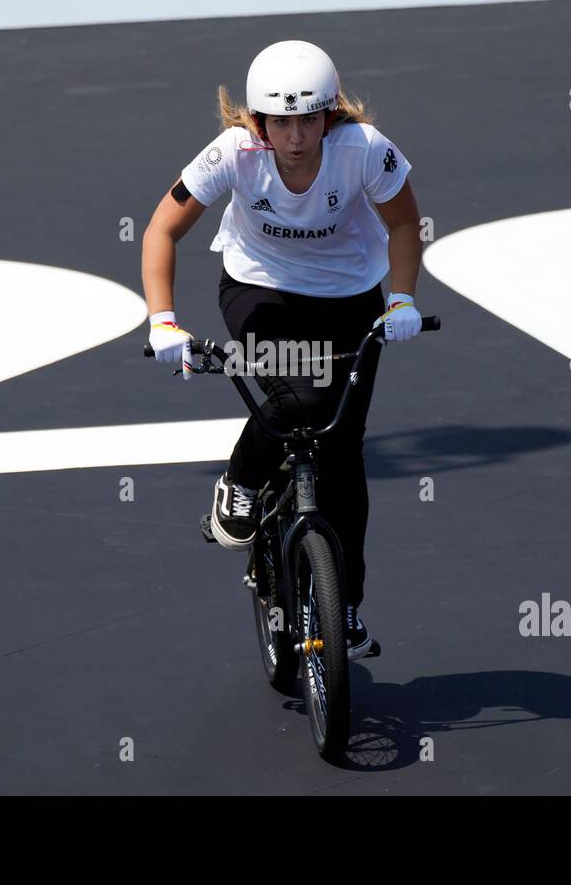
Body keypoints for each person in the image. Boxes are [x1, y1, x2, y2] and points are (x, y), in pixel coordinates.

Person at [141, 39, 424, 659]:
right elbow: (163, 227)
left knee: (344, 449)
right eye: (280, 121)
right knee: (299, 398)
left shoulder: (366, 152)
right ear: (259, 122)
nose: (295, 137)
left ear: (328, 116)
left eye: (307, 120)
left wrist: (400, 298)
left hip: (350, 296)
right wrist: (163, 320)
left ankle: (344, 606)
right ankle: (238, 484)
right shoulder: (233, 155)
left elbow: (405, 222)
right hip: (260, 290)